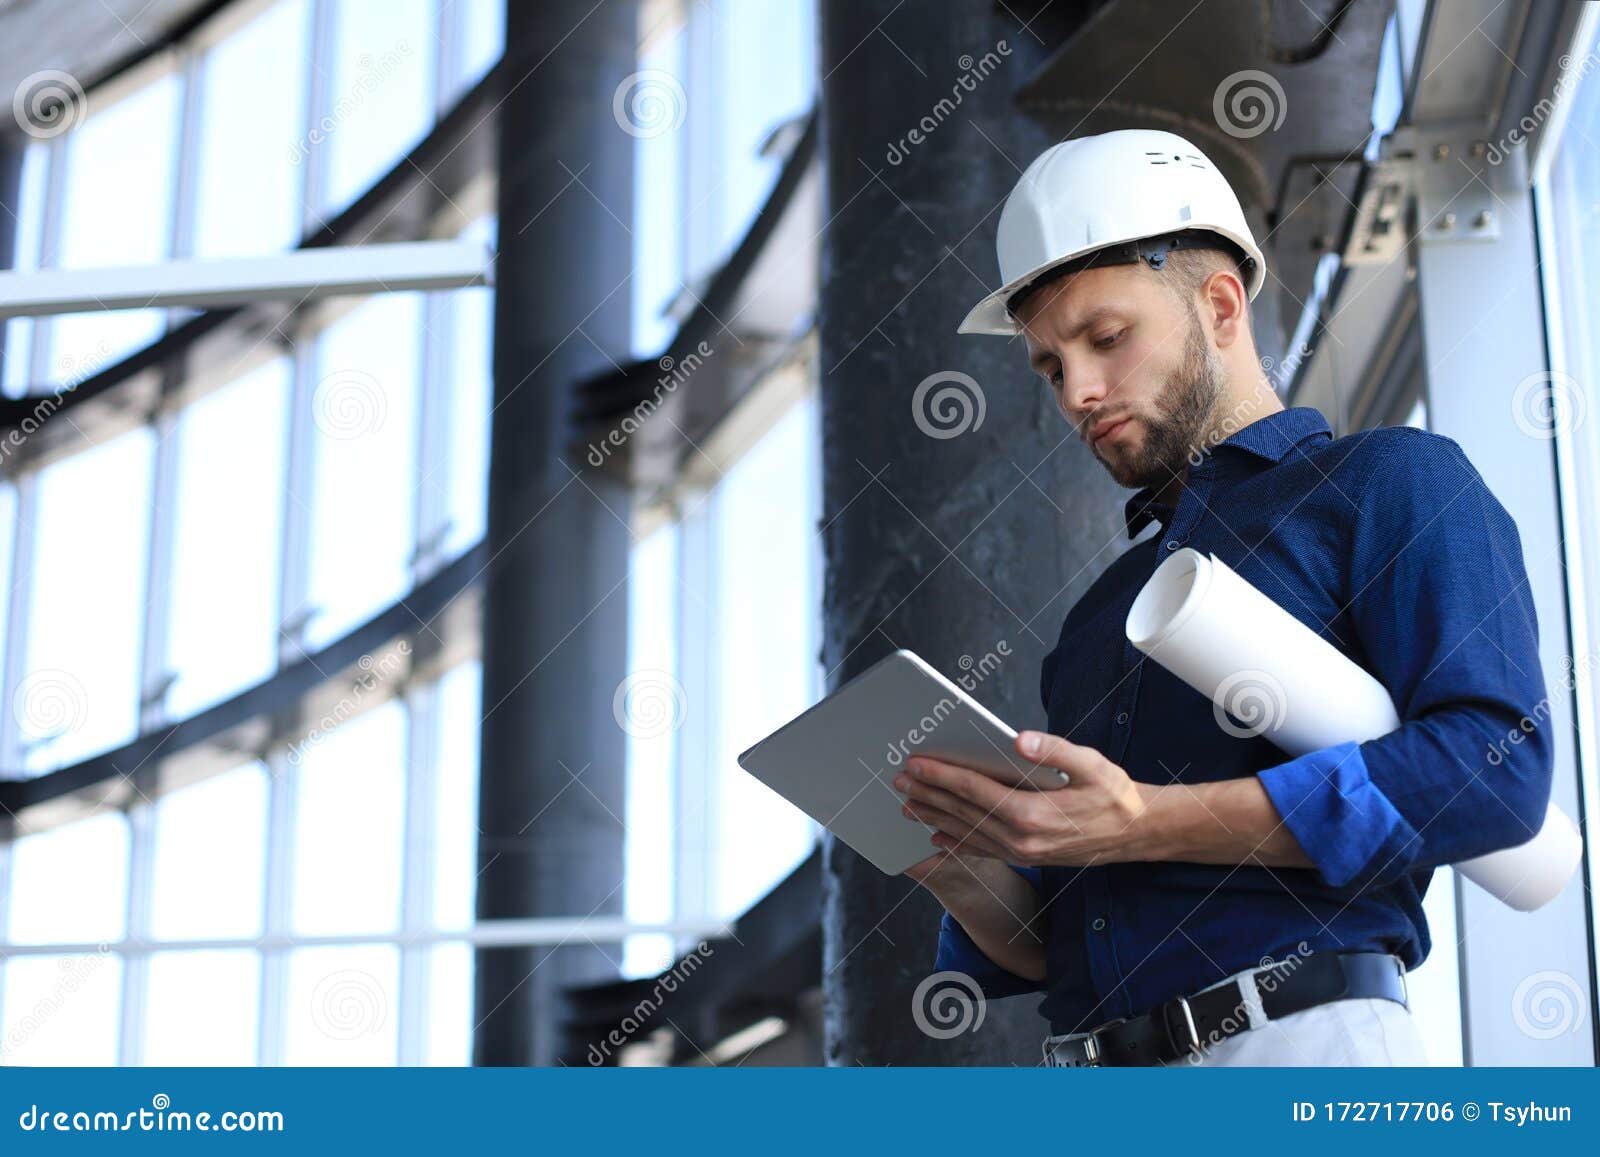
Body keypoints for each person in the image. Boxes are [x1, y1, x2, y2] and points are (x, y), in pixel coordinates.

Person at [892, 128, 1554, 1067]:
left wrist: (1146, 822)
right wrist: (964, 867)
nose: (1078, 390)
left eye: (1106, 338)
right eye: (1049, 366)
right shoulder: (1097, 623)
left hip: (1299, 1053)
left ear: (1221, 303)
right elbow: (1059, 948)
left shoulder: (1389, 483)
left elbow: (1494, 773)